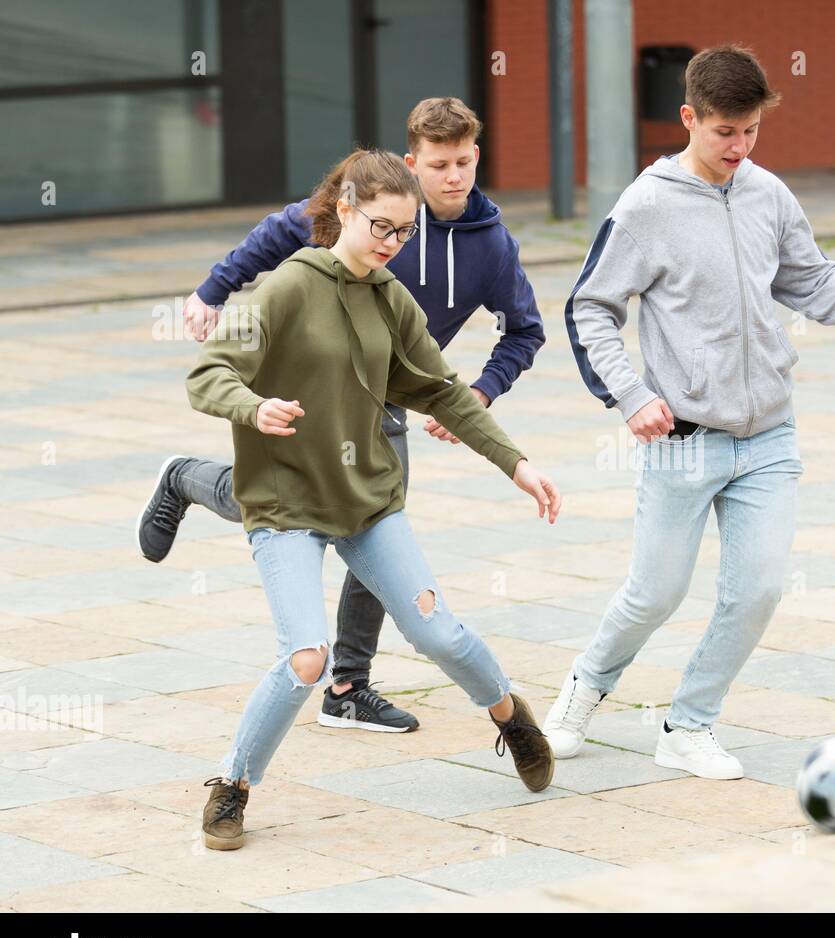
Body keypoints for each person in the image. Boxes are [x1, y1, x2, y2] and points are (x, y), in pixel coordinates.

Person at [546, 44, 835, 779]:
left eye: (751, 131)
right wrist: (631, 394)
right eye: (725, 132)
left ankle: (688, 724)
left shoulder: (767, 194)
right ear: (689, 118)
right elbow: (590, 306)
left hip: (769, 435)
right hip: (683, 437)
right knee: (655, 592)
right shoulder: (647, 206)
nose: (739, 148)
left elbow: (811, 280)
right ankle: (583, 690)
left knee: (758, 590)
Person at [188, 149, 559, 850]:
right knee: (306, 659)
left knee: (437, 633)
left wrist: (517, 463)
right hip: (287, 503)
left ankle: (510, 715)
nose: (391, 243)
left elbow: (442, 389)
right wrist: (252, 404)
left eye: (404, 232)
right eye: (381, 226)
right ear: (346, 211)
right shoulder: (289, 286)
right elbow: (208, 372)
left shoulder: (391, 297)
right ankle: (233, 785)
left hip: (365, 499)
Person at [139, 97, 545, 733]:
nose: (455, 176)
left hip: (389, 396)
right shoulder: (369, 210)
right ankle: (185, 478)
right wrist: (212, 291)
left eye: (465, 161)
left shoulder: (491, 246)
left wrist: (484, 394)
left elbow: (523, 331)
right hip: (312, 383)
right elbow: (279, 232)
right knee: (277, 496)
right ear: (413, 164)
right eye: (439, 164)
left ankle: (348, 683)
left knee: (374, 519)